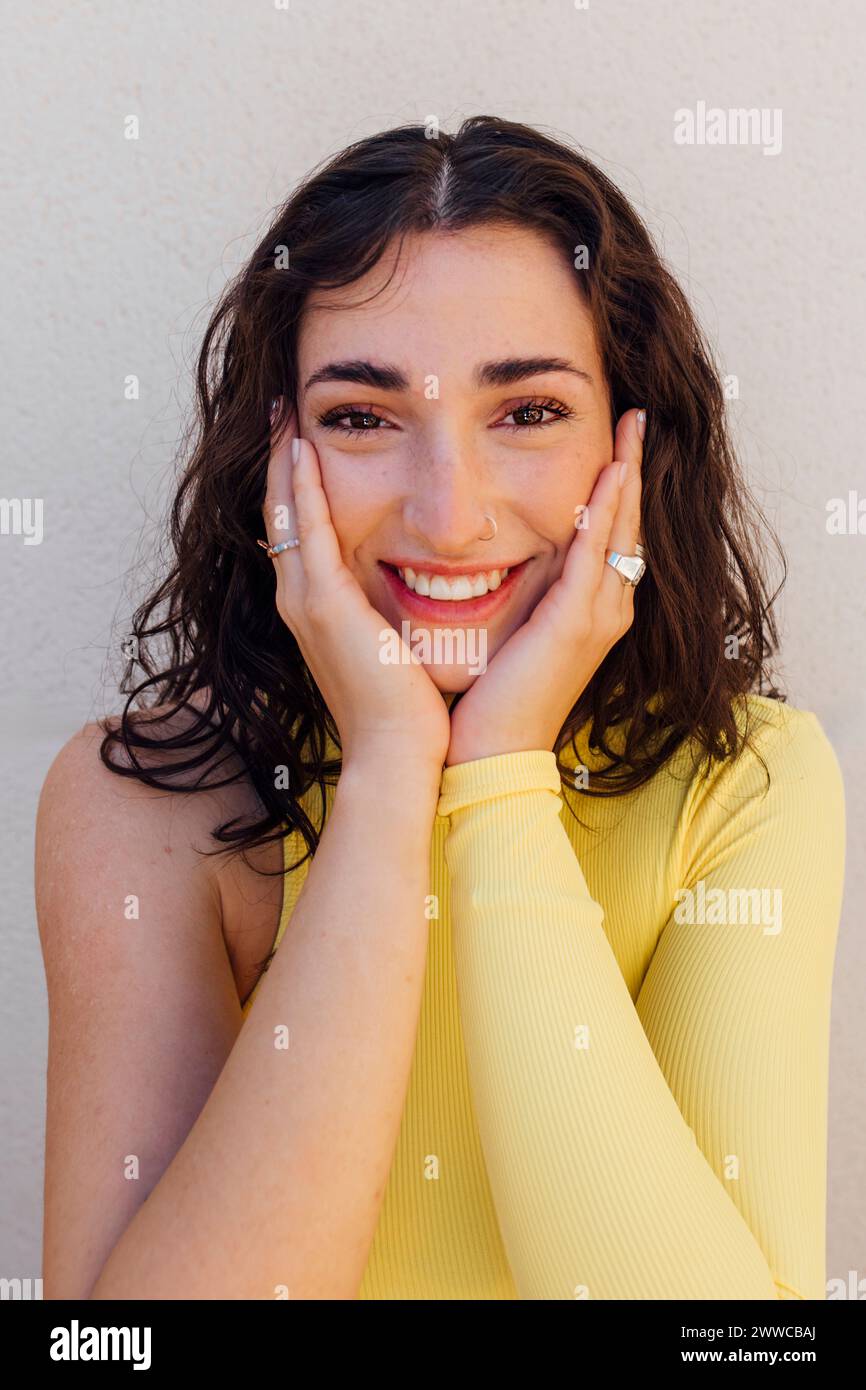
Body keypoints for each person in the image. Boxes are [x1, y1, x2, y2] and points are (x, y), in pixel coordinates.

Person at [36, 115, 845, 1300]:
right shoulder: (143, 801)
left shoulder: (746, 784)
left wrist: (498, 778)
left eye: (525, 412)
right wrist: (387, 770)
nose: (448, 514)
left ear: (630, 446)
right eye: (361, 417)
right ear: (277, 459)